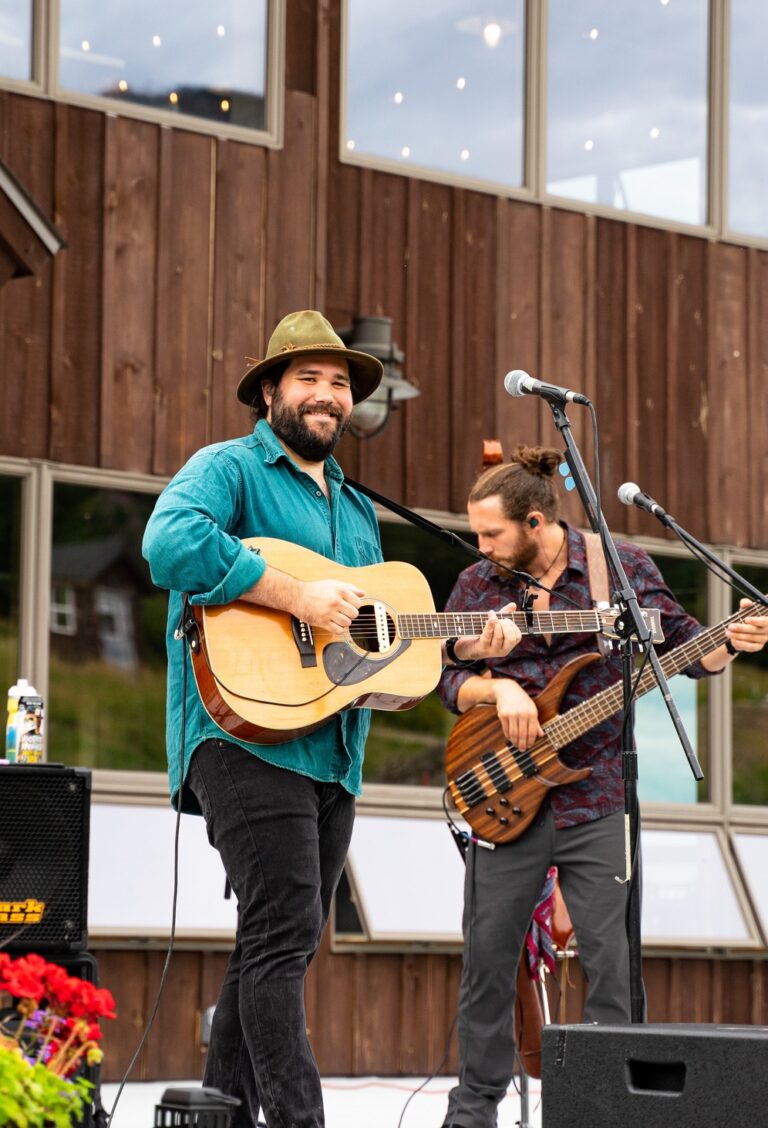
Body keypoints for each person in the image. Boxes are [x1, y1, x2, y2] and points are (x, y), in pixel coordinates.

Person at [142, 310, 521, 1128]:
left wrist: (467, 648)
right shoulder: (228, 468)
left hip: (332, 748)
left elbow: (370, 649)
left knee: (274, 942)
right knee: (284, 932)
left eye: (340, 383)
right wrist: (294, 594)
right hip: (239, 734)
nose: (327, 394)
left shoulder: (356, 510)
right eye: (308, 378)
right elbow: (168, 544)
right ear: (270, 391)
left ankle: (218, 1113)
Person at [438, 445, 768, 1128]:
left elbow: (687, 647)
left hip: (599, 797)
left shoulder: (622, 569)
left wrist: (733, 639)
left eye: (492, 534)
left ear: (536, 522)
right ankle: (472, 1113)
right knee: (487, 965)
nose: (481, 547)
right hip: (504, 796)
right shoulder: (477, 584)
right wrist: (495, 687)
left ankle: (606, 1113)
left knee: (612, 969)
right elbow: (442, 680)